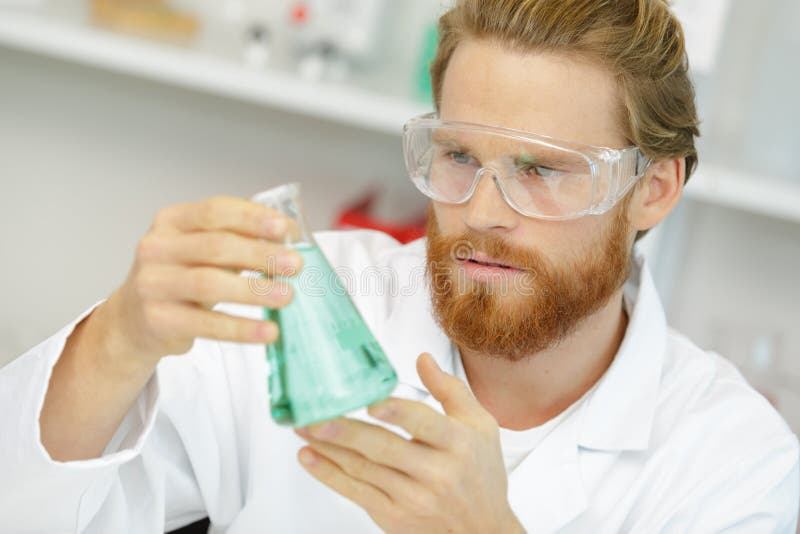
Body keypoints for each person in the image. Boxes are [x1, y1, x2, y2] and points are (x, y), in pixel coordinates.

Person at [1, 0, 798, 532]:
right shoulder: (311, 299)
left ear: (652, 190)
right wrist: (118, 341)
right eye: (456, 155)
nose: (483, 210)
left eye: (543, 171)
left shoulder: (732, 461)